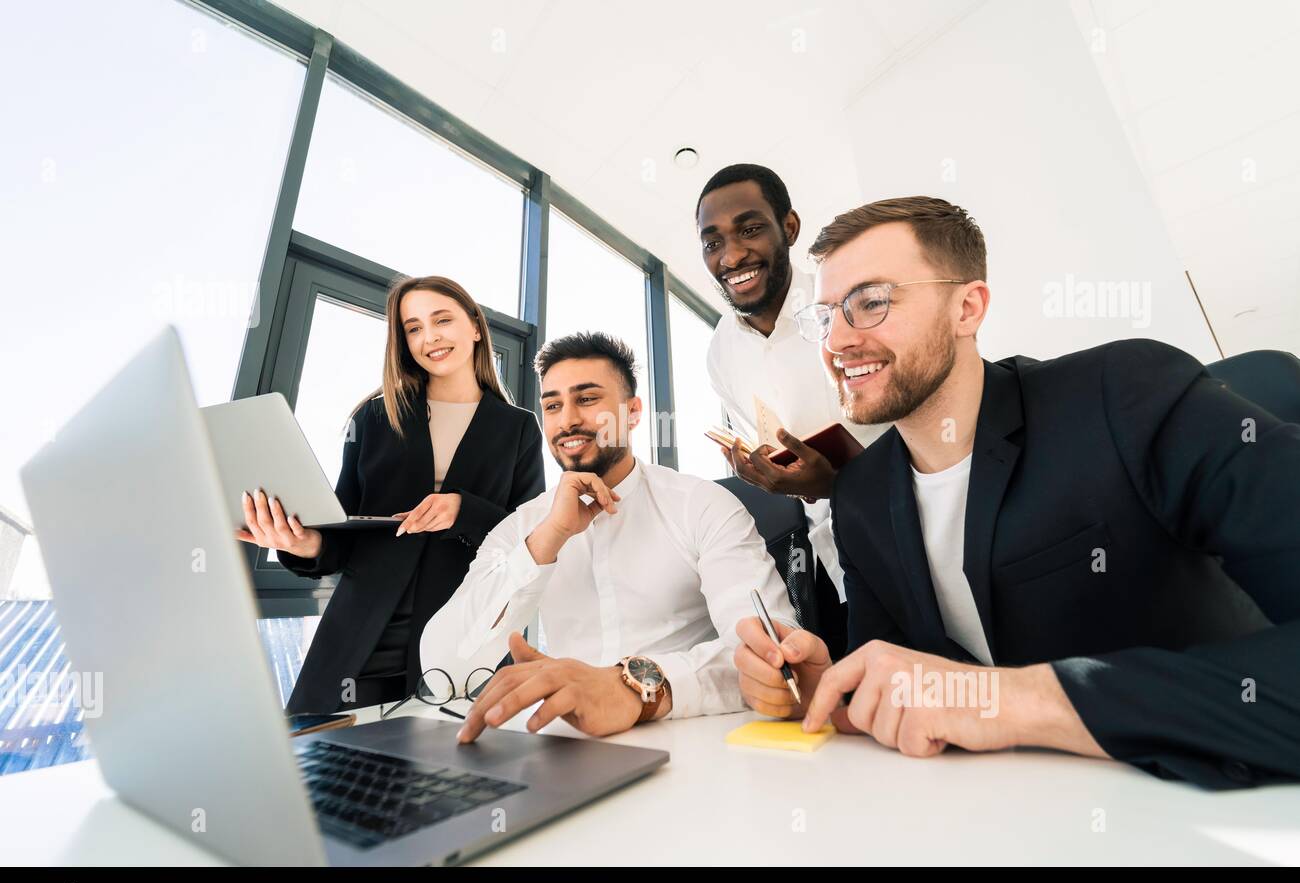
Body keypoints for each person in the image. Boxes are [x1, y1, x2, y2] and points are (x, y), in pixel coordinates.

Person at [734, 196, 1300, 789]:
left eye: (871, 302)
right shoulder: (859, 498)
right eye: (825, 318)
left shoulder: (1125, 395)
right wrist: (833, 688)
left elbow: (976, 700)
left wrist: (1011, 701)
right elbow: (904, 684)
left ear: (967, 308)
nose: (838, 342)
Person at [419, 331, 796, 743]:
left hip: (691, 741)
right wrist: (549, 539)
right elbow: (444, 671)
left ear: (632, 412)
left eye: (587, 399)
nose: (567, 421)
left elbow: (769, 653)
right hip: (565, 748)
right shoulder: (523, 528)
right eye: (552, 405)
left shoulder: (702, 504)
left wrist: (635, 687)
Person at [238, 275, 544, 714]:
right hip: (361, 629)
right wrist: (304, 545)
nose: (429, 337)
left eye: (442, 320)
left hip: (460, 633)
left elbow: (528, 540)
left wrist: (463, 510)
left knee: (447, 770)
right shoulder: (376, 416)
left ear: (475, 327)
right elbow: (342, 532)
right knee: (323, 765)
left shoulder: (518, 429)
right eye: (413, 328)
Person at [696, 163, 887, 658]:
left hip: (914, 523)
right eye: (712, 242)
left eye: (750, 229)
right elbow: (765, 441)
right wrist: (763, 471)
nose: (731, 255)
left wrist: (839, 482)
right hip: (832, 552)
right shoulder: (720, 353)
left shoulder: (845, 303)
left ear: (789, 228)